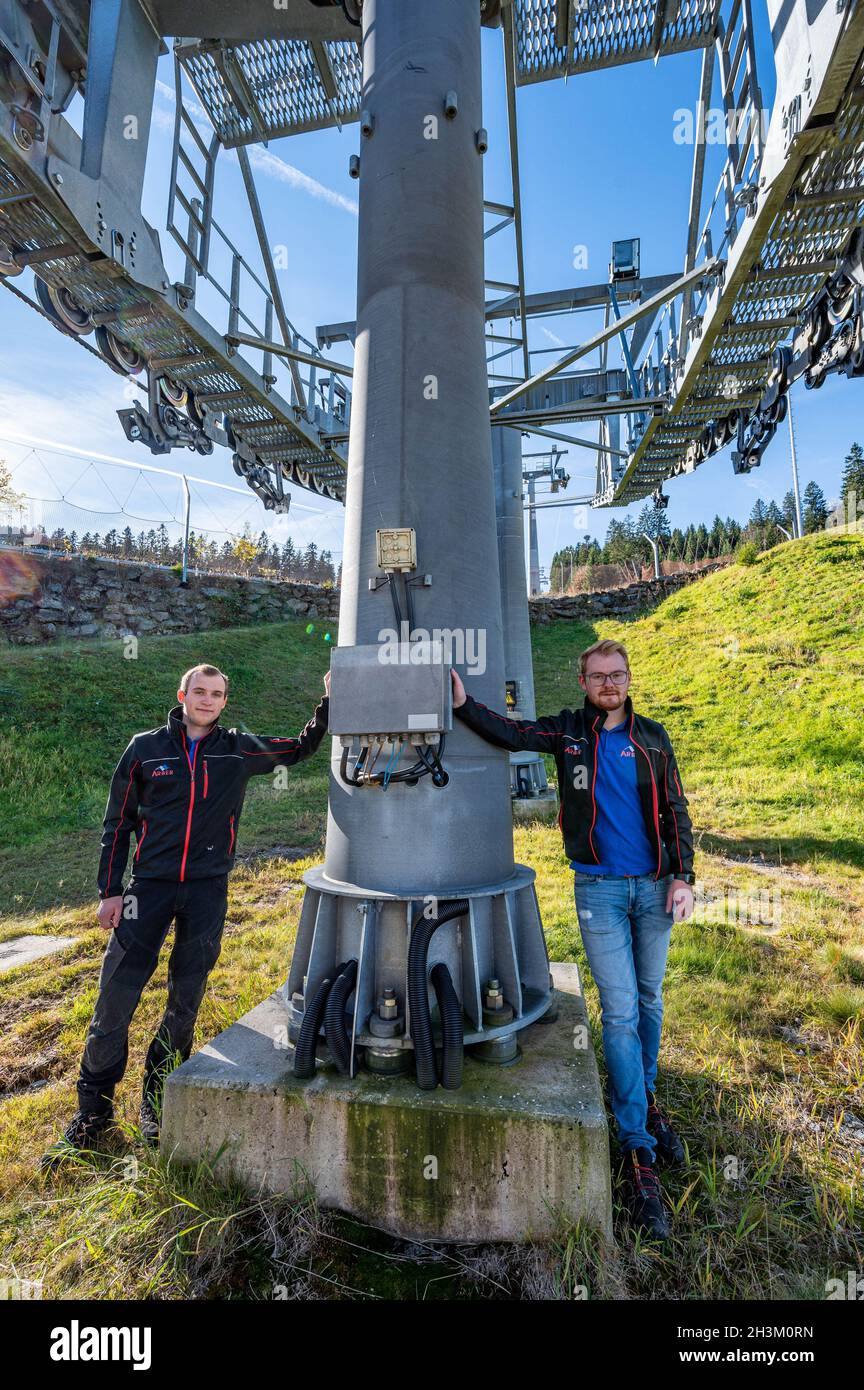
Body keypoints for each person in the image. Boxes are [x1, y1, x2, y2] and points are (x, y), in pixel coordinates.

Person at [450, 639, 695, 1240]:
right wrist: (462, 704)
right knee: (617, 1012)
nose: (610, 683)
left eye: (619, 674)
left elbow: (677, 809)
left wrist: (684, 875)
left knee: (650, 999)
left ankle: (646, 1095)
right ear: (582, 681)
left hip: (656, 887)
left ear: (629, 678)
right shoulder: (568, 733)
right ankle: (638, 1147)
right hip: (601, 892)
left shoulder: (654, 737)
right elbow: (512, 734)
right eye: (598, 676)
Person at [42, 662, 330, 1167]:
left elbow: (300, 747)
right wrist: (110, 891)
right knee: (115, 1001)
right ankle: (92, 1115)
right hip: (147, 890)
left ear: (224, 702)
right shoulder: (145, 749)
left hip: (206, 890)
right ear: (183, 694)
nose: (208, 700)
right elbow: (119, 822)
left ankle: (157, 1100)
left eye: (217, 694)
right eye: (201, 691)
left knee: (185, 997)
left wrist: (330, 699)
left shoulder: (236, 749)